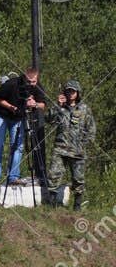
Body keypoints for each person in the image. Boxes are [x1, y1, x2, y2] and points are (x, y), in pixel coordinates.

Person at [0, 67, 46, 184]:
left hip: (18, 118)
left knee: (17, 147)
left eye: (34, 82)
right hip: (2, 115)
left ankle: (13, 177)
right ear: (24, 78)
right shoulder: (12, 84)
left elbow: (43, 105)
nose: (31, 84)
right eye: (29, 82)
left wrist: (34, 104)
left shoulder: (37, 87)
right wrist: (12, 107)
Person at [47, 80, 95, 209]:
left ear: (78, 93)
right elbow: (49, 119)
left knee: (78, 179)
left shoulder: (84, 109)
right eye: (68, 91)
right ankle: (51, 205)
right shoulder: (60, 107)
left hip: (77, 151)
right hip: (60, 148)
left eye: (73, 91)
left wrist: (84, 143)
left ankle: (77, 205)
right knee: (54, 174)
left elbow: (91, 130)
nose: (70, 93)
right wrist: (57, 105)